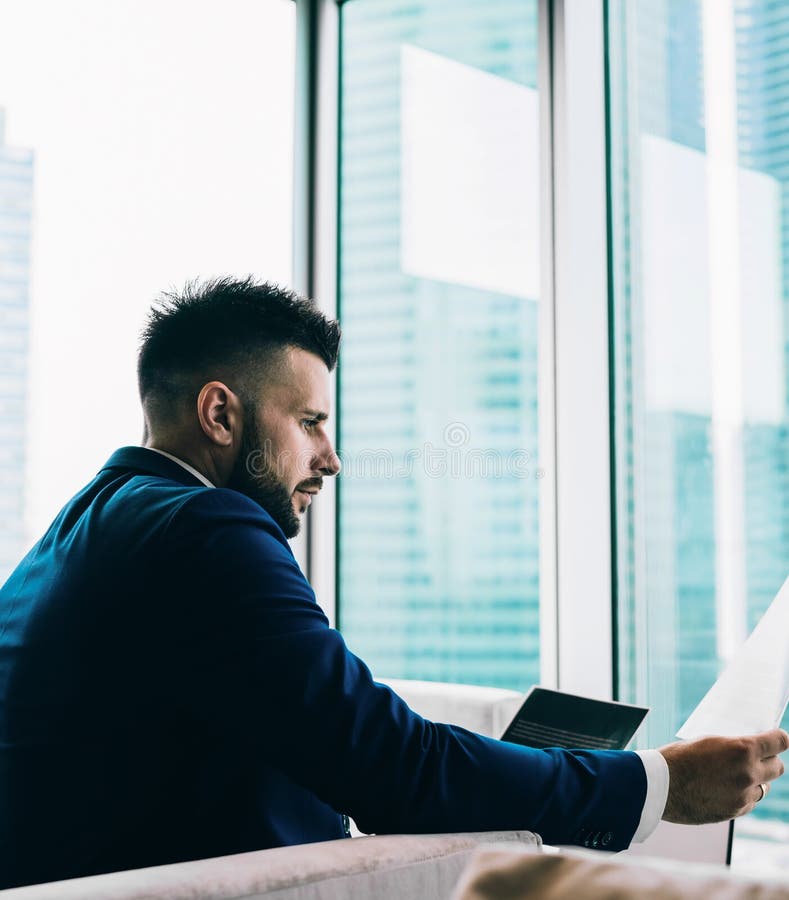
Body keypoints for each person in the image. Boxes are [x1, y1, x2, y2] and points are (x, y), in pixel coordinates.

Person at [0, 277, 784, 889]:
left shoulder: (81, 529)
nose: (330, 458)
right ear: (219, 413)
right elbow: (389, 769)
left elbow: (334, 731)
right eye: (309, 422)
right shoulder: (208, 531)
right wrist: (654, 783)